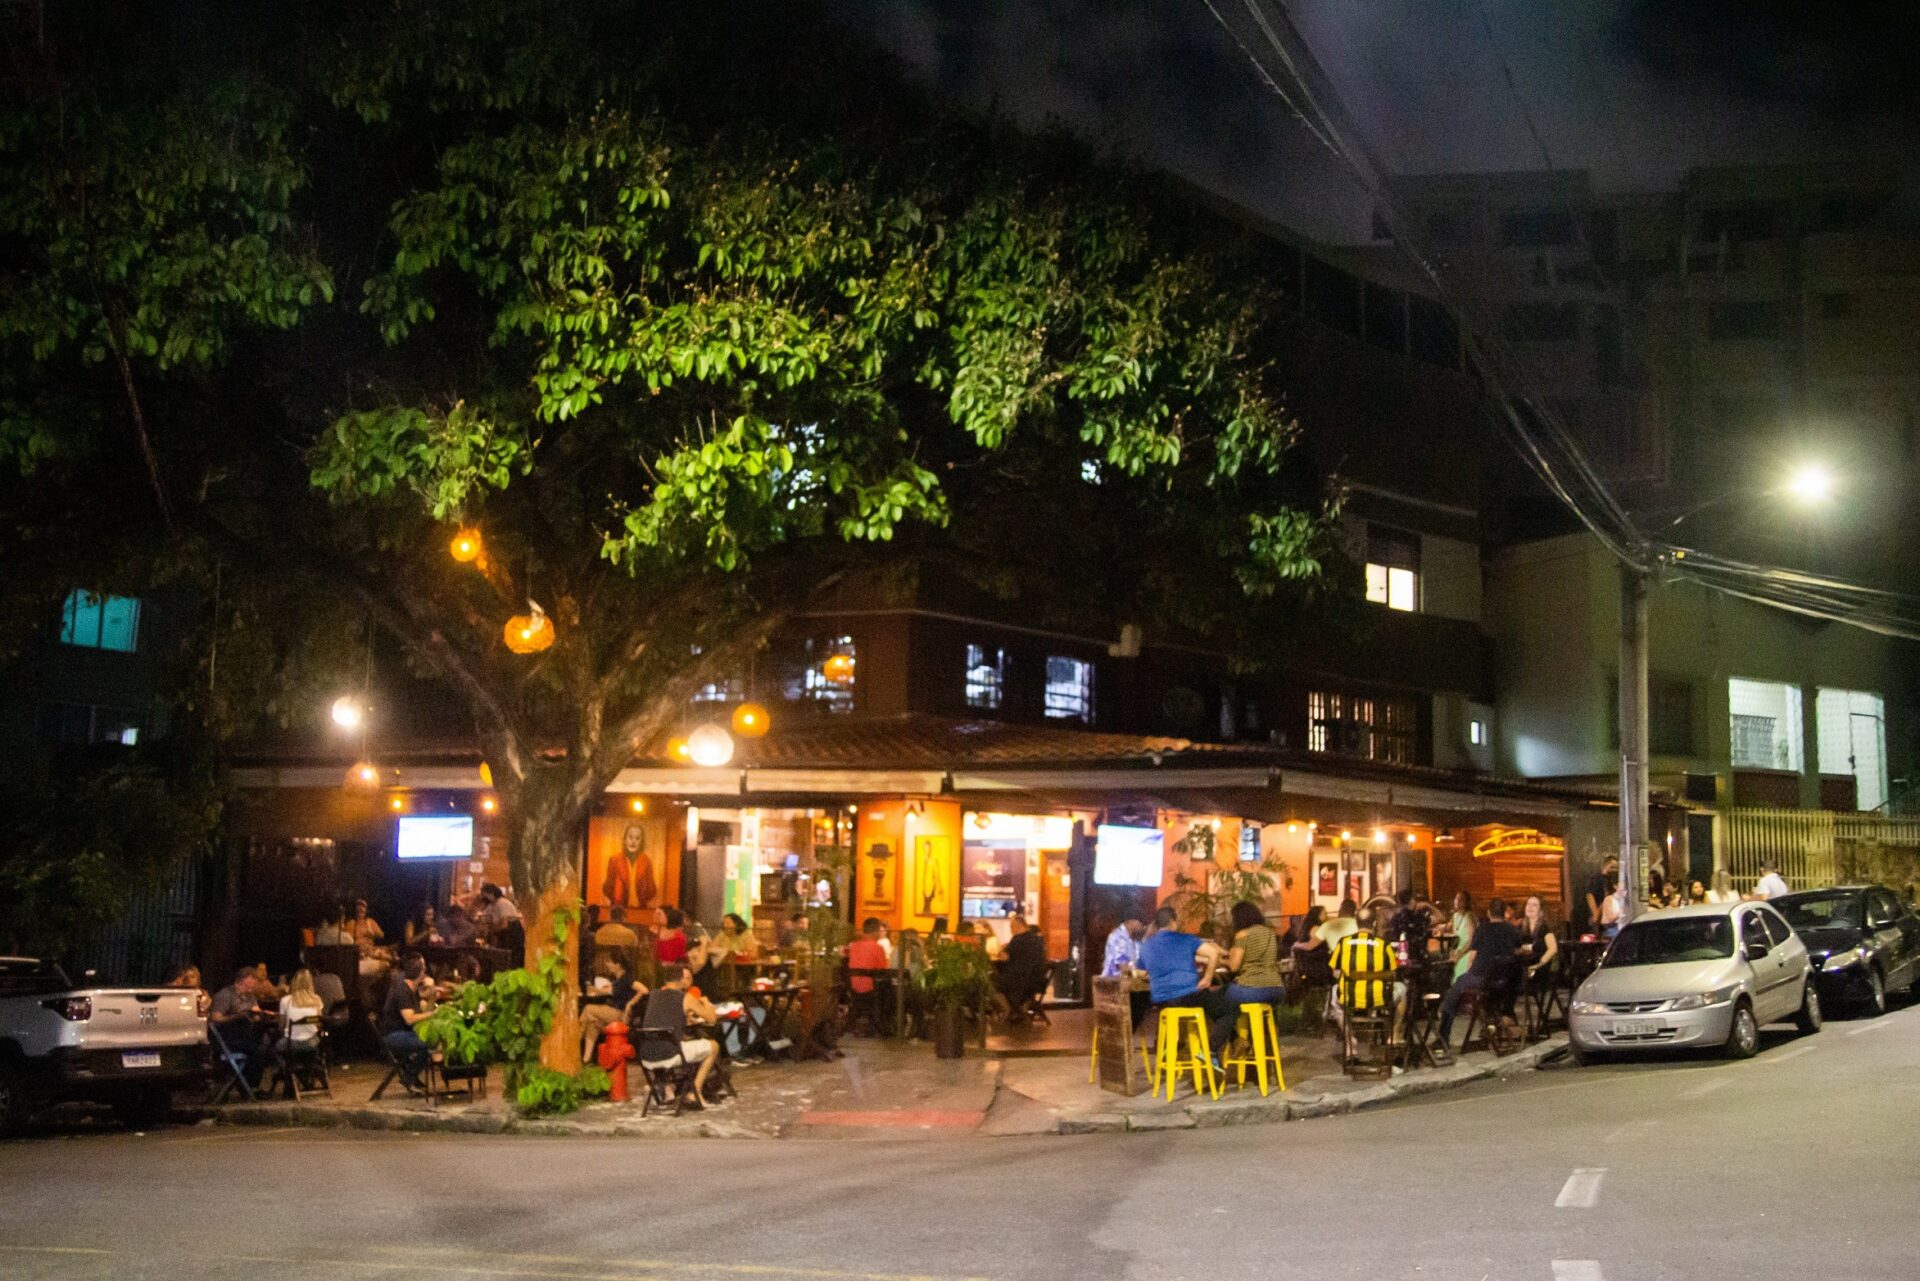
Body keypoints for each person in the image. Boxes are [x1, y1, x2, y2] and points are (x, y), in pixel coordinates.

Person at [1136, 906, 1235, 1059]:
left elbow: (1140, 972)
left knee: (1208, 1004)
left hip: (1162, 1001)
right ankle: (1210, 1051)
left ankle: (1170, 1053)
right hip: (1188, 995)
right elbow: (1213, 953)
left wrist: (1158, 973)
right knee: (1229, 1009)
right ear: (1172, 922)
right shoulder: (1186, 939)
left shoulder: (1146, 946)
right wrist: (1207, 978)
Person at [1438, 897, 1522, 1048]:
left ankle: (1443, 1036)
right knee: (1478, 992)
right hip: (1502, 979)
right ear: (1504, 913)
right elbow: (1517, 949)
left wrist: (1469, 970)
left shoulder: (1482, 929)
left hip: (1480, 977)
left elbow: (1473, 954)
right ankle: (1490, 1027)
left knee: (1452, 993)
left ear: (1489, 913)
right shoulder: (1511, 930)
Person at [638, 965, 719, 1107]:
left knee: (683, 1041)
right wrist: (706, 1002)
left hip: (646, 1056)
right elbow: (712, 1018)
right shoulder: (685, 997)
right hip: (669, 1055)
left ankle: (668, 1086)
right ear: (681, 979)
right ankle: (695, 1092)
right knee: (713, 1046)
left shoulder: (653, 995)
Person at [1330, 907, 1403, 1053]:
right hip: (1379, 998)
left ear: (1356, 924)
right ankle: (1393, 1036)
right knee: (1402, 989)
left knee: (1334, 996)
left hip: (1350, 998)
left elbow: (1335, 973)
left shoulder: (1343, 944)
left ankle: (1350, 1042)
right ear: (1374, 923)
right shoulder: (1383, 945)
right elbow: (1393, 974)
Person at [378, 954, 435, 1087]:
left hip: (405, 1032)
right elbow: (409, 1019)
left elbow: (424, 1009)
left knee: (432, 1037)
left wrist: (432, 993)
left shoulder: (413, 988)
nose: (426, 973)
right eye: (424, 970)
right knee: (427, 1044)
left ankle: (409, 1073)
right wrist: (433, 1014)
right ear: (420, 973)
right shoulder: (402, 990)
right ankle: (409, 1076)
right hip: (393, 1035)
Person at [579, 954, 646, 1060]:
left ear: (617, 965)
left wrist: (630, 1003)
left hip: (619, 1013)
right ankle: (586, 1059)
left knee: (588, 1008)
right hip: (612, 1011)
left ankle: (574, 1041)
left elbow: (644, 990)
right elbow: (609, 990)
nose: (607, 964)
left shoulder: (626, 978)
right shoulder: (617, 980)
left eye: (609, 962)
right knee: (593, 1024)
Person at [1223, 900, 1286, 1009]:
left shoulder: (1242, 934)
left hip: (1252, 990)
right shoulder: (1269, 932)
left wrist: (1218, 961)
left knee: (1221, 996)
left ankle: (1229, 1025)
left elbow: (1233, 967)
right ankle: (1265, 1025)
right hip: (1277, 990)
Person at [996, 915, 1050, 1016]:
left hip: (1018, 981)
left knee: (993, 984)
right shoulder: (1038, 940)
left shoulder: (1017, 940)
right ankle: (1020, 1008)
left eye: (1011, 927)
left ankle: (1010, 1010)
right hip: (1037, 982)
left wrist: (1002, 949)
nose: (1011, 931)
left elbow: (1003, 957)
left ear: (1018, 926)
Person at [602, 821, 659, 912]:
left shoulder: (646, 861)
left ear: (641, 842)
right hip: (618, 910)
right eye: (630, 837)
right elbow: (607, 887)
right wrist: (617, 898)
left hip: (641, 910)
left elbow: (652, 889)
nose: (633, 841)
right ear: (624, 840)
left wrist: (642, 899)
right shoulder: (615, 860)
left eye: (637, 838)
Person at [1517, 895, 1559, 1012]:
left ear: (1540, 910)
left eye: (1534, 905)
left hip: (1540, 966)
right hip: (1524, 964)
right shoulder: (1520, 927)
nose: (1530, 907)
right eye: (1528, 904)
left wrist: (1537, 965)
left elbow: (1553, 949)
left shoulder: (1544, 928)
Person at [277, 969, 325, 1053]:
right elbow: (319, 1023)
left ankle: (285, 1064)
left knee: (275, 1046)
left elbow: (281, 1025)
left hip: (291, 1043)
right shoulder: (316, 999)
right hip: (311, 1042)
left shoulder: (285, 1000)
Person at [846, 917, 889, 995]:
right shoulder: (878, 948)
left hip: (854, 992)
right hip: (872, 993)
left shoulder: (854, 947)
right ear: (876, 932)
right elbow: (883, 971)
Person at [1580, 856, 1619, 937]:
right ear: (1605, 865)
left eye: (1616, 868)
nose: (1614, 870)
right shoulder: (1597, 878)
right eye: (1612, 867)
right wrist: (1595, 914)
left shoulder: (1612, 880)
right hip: (1598, 915)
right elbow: (1589, 895)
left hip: (1608, 916)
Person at [1387, 889, 1432, 957]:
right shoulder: (1418, 917)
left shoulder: (1396, 918)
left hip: (1399, 955)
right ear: (1411, 900)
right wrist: (1428, 906)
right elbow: (1441, 918)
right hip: (1418, 956)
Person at [1449, 892, 1481, 980]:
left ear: (1466, 903)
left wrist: (1460, 954)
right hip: (1457, 952)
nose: (1457, 902)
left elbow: (1472, 940)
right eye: (1456, 899)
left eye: (1460, 900)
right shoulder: (1455, 916)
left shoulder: (1469, 917)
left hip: (1466, 953)